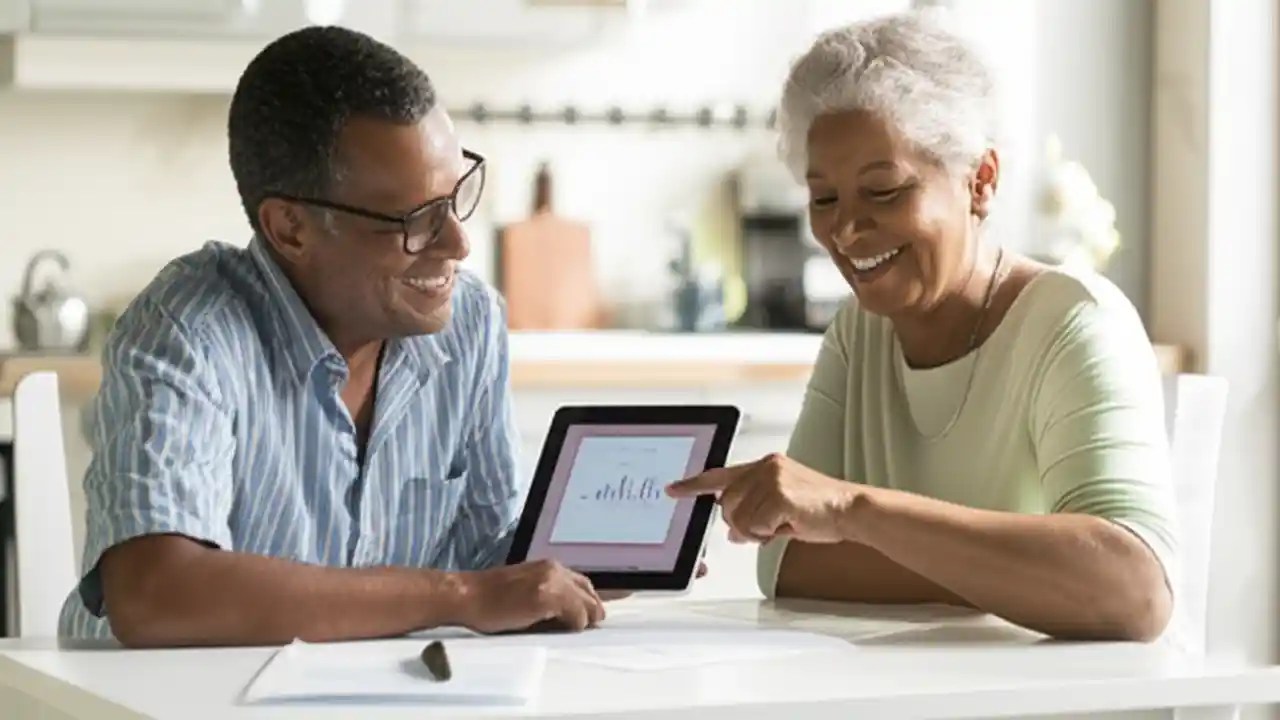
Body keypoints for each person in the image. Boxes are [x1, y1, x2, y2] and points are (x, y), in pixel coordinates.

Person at [57, 26, 608, 645]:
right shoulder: (189, 331)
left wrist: (637, 540)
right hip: (161, 695)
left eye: (457, 196)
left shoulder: (471, 323)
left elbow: (490, 563)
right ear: (290, 228)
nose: (458, 242)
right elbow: (157, 594)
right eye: (415, 219)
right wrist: (459, 597)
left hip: (382, 689)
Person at [669, 12, 1178, 643]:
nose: (845, 230)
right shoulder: (859, 333)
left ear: (980, 182)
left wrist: (852, 512)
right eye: (824, 199)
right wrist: (1014, 575)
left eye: (884, 191)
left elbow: (1132, 591)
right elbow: (787, 562)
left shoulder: (1075, 323)